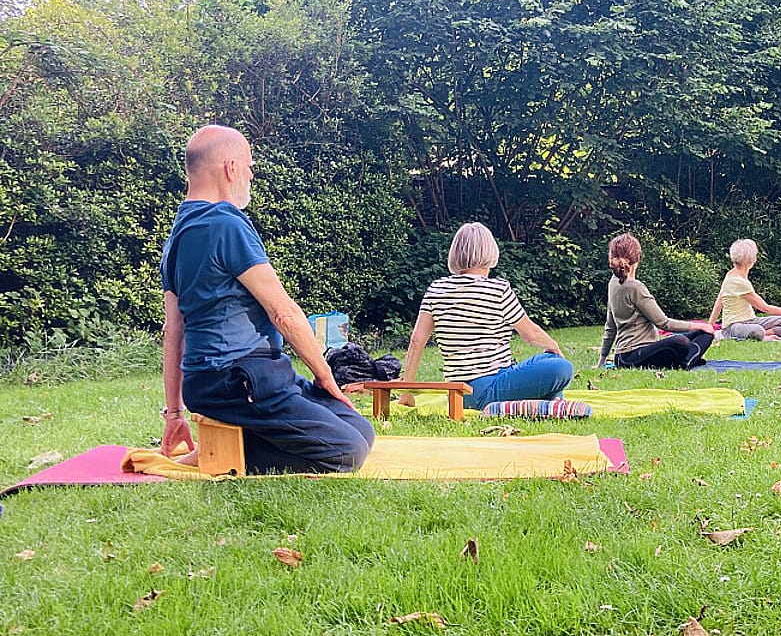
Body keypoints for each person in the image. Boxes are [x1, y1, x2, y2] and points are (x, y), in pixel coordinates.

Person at [160, 125, 374, 474]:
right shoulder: (225, 223)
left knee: (360, 429)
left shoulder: (178, 234)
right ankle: (222, 452)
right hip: (238, 380)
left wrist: (175, 413)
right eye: (249, 165)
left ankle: (229, 441)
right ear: (230, 169)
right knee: (347, 451)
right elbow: (283, 312)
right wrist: (324, 375)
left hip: (227, 381)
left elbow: (173, 330)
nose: (251, 175)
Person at [398, 222, 573, 410]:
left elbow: (417, 340)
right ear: (490, 252)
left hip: (458, 394)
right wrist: (554, 345)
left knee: (545, 359)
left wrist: (406, 391)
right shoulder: (498, 289)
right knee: (561, 367)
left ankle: (549, 402)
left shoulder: (436, 289)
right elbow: (530, 334)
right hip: (489, 388)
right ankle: (552, 402)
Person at [598, 234, 714, 369]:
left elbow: (610, 326)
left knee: (703, 333)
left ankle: (685, 359)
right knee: (682, 340)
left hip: (624, 357)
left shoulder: (613, 284)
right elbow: (663, 323)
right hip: (632, 356)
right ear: (637, 258)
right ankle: (686, 361)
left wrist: (602, 358)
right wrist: (698, 325)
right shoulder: (636, 287)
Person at [708, 239, 781, 340]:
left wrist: (709, 326)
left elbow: (719, 302)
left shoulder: (730, 274)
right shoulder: (739, 282)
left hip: (751, 321)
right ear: (752, 260)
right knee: (757, 330)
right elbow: (765, 308)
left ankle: (763, 335)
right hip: (733, 327)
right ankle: (763, 336)